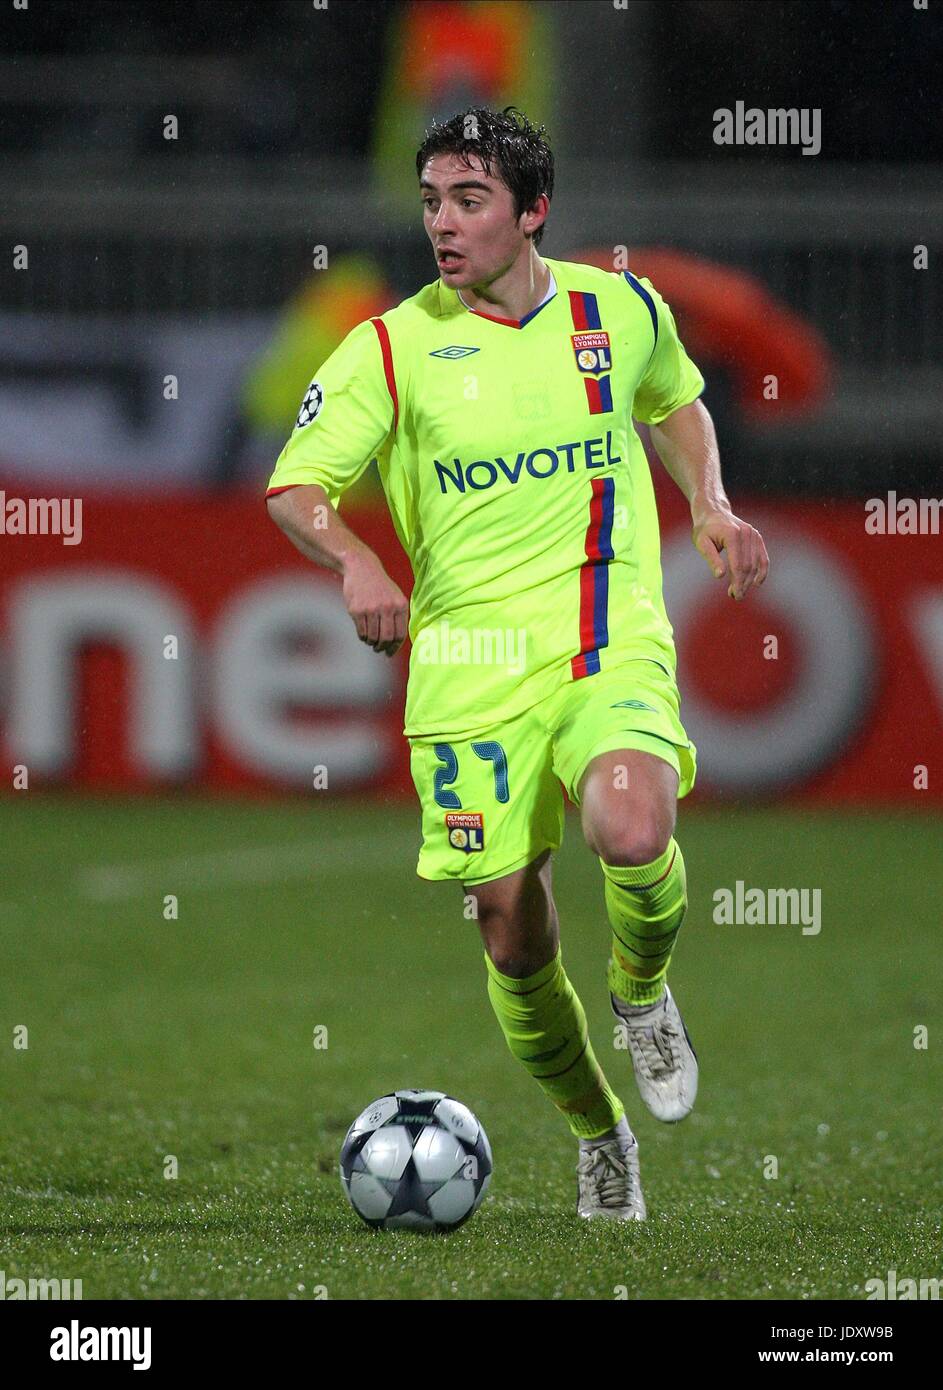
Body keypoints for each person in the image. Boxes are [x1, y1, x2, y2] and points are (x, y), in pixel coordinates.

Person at [265, 107, 769, 1221]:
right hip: (466, 670)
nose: (443, 224)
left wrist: (711, 502)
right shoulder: (389, 348)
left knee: (634, 828)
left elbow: (676, 397)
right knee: (509, 922)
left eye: (470, 200)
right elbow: (296, 487)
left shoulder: (619, 306)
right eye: (433, 201)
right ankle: (600, 1132)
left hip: (604, 633)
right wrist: (353, 560)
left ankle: (642, 993)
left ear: (533, 210)